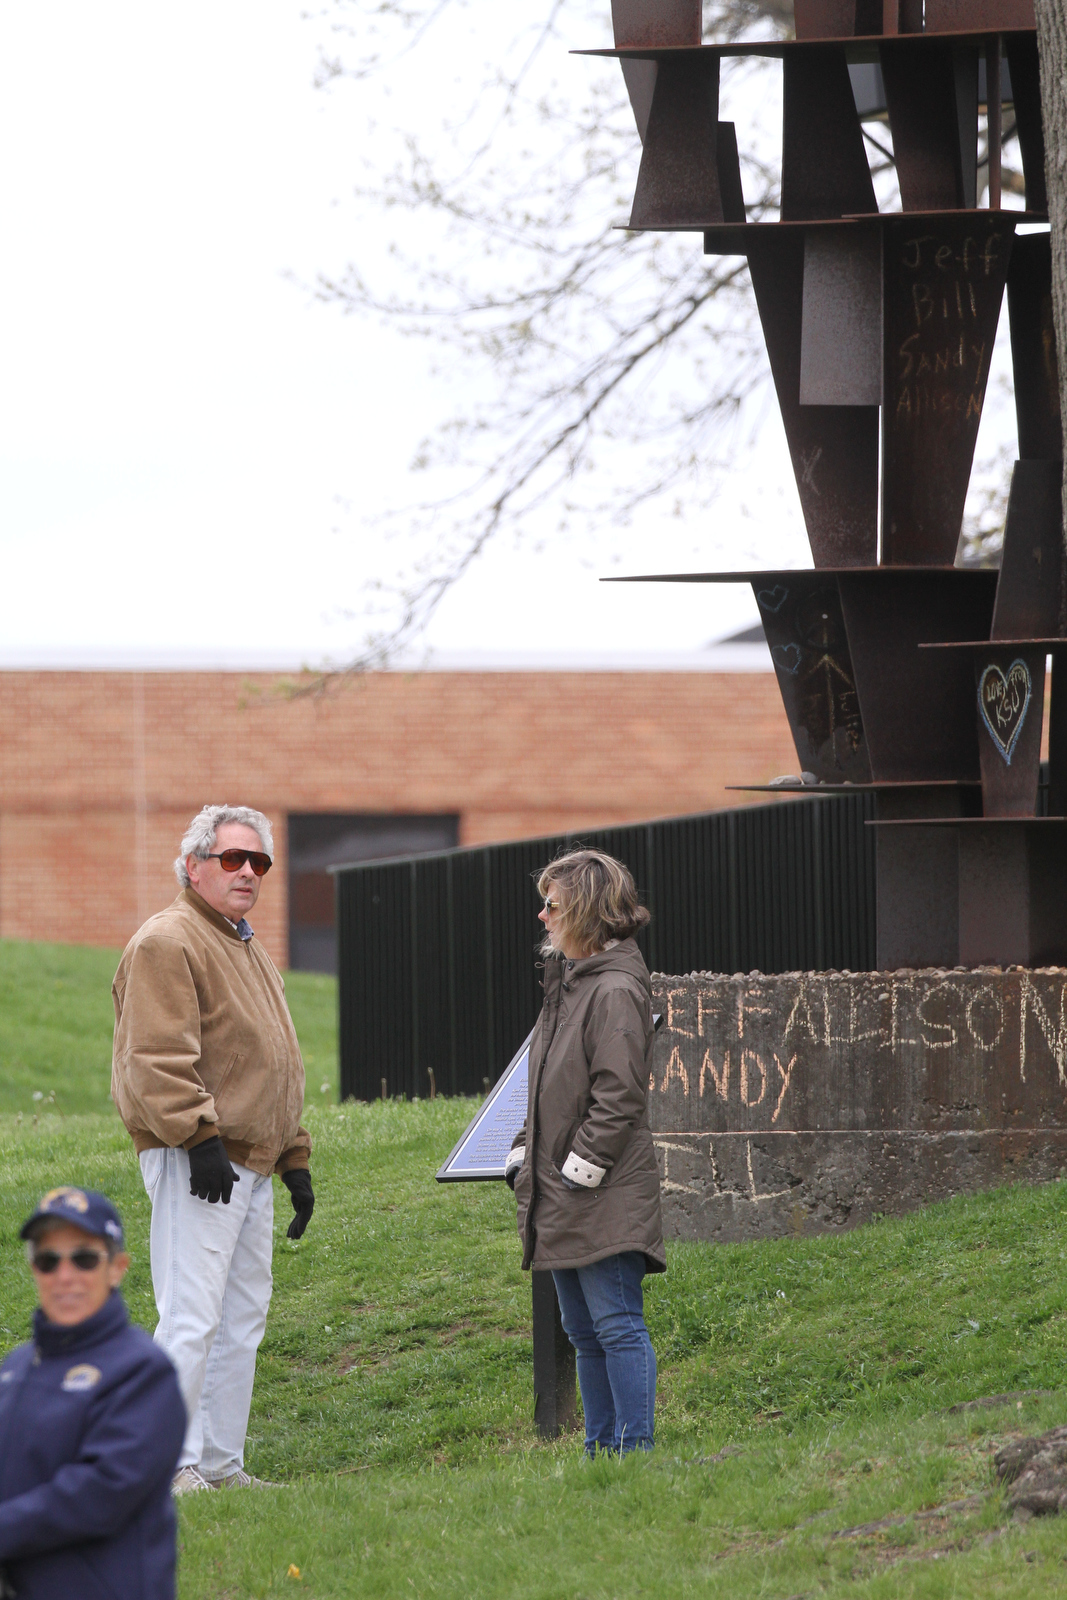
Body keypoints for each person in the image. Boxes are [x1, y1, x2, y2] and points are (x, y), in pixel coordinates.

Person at [111, 804, 314, 1495]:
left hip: (252, 1158)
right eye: (234, 859)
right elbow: (155, 1056)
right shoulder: (167, 941)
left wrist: (294, 1158)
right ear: (193, 864)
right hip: (198, 1155)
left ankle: (221, 1464)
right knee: (192, 1316)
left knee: (240, 1320)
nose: (249, 872)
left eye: (260, 862)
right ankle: (170, 1467)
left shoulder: (243, 944)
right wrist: (196, 1137)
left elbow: (273, 1062)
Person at [505, 848, 665, 1456]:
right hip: (564, 1189)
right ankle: (601, 1453)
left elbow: (617, 1092)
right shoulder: (568, 985)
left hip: (601, 1191)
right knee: (582, 1330)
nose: (542, 916)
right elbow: (547, 1089)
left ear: (588, 913)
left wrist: (581, 1169)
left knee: (618, 1326)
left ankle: (634, 1453)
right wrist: (526, 1152)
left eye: (553, 905)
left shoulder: (614, 989)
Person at [0, 1186, 185, 1600]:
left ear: (117, 1267)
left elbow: (98, 1493)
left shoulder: (142, 1371)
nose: (65, 1276)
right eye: (48, 1260)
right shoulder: (15, 1368)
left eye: (84, 1258)